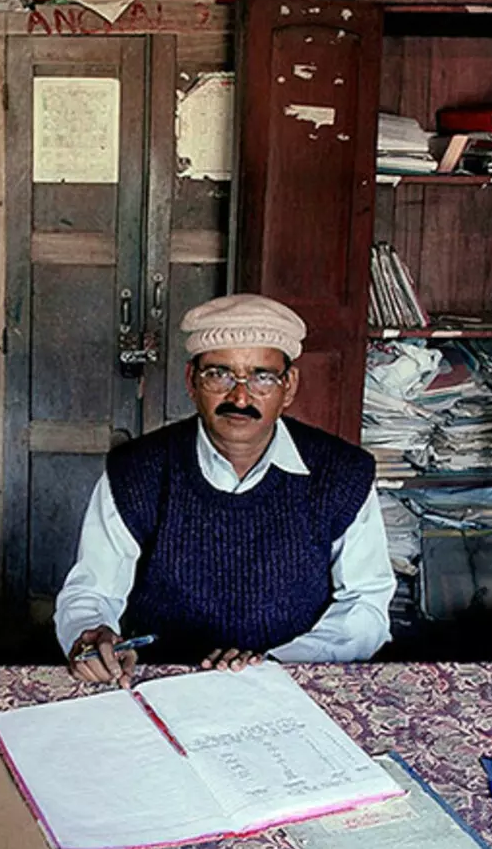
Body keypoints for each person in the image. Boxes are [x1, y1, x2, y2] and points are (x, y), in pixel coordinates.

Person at [55, 293, 395, 687]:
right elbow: (92, 589)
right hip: (162, 683)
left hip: (292, 683)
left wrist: (275, 664)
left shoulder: (340, 472)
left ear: (289, 386)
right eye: (219, 374)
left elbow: (366, 603)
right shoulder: (138, 470)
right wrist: (91, 635)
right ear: (191, 382)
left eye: (262, 377)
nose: (240, 397)